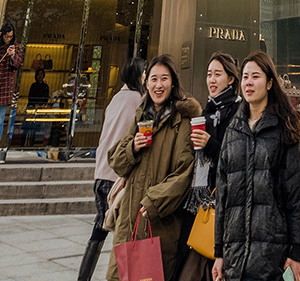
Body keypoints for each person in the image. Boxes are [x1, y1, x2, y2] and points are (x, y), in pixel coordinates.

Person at [211, 51, 300, 281]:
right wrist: (219, 252)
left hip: (272, 257)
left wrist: (297, 252)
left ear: (269, 83)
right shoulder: (233, 131)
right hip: (235, 258)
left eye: (255, 76)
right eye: (245, 76)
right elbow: (223, 197)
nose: (248, 82)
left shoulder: (285, 129)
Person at [105, 53, 201, 281]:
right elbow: (116, 162)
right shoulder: (141, 115)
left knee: (149, 277)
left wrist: (153, 202)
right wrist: (133, 148)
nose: (159, 85)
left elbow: (184, 173)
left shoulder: (182, 121)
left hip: (157, 224)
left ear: (173, 82)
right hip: (129, 224)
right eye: (154, 79)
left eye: (164, 79)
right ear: (146, 82)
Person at [79, 59, 146, 281]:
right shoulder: (138, 100)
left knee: (99, 230)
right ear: (139, 76)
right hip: (118, 176)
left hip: (101, 172)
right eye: (146, 73)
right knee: (125, 233)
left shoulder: (116, 98)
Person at [180, 54, 242, 281]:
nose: (212, 80)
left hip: (225, 201)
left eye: (218, 74)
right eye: (209, 74)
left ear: (231, 79)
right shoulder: (205, 113)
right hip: (200, 201)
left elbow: (237, 158)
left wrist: (211, 145)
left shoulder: (238, 113)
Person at [0, 25, 23, 164]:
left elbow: (17, 64)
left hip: (5, 88)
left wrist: (12, 55)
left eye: (10, 37)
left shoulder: (16, 48)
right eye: (6, 36)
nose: (8, 39)